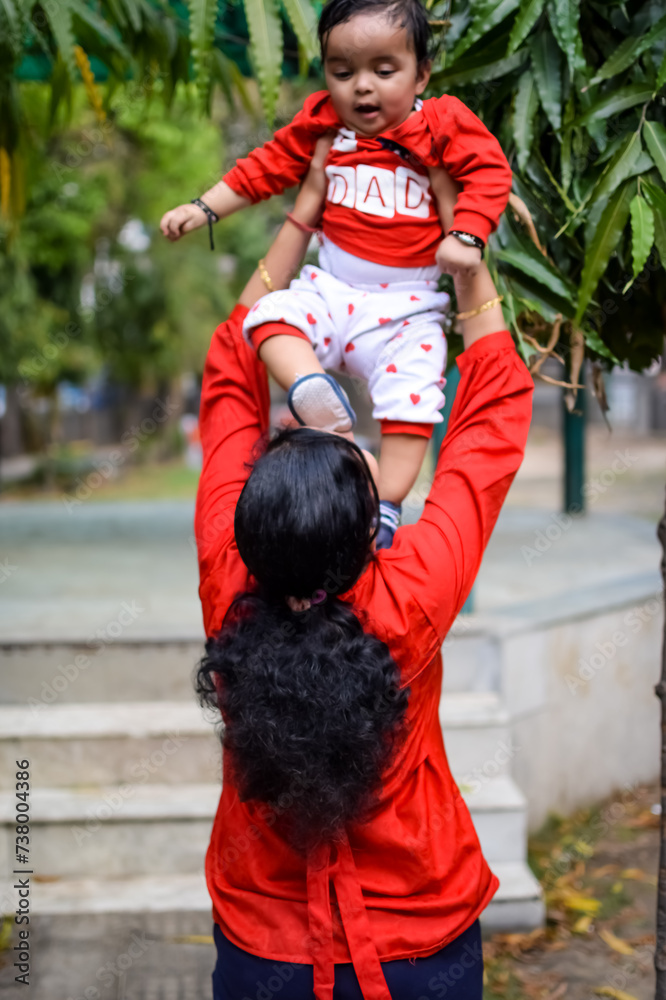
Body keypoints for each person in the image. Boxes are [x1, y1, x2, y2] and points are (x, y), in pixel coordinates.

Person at [192, 138, 534, 999]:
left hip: (263, 945)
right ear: (372, 528)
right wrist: (467, 257)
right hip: (423, 936)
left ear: (252, 518)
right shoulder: (412, 586)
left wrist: (305, 215)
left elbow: (234, 370)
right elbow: (488, 431)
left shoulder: (229, 574)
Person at [161, 0, 513, 548]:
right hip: (332, 290)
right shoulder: (325, 121)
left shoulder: (441, 123)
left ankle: (388, 503)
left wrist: (467, 234)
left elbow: (489, 169)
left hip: (406, 310)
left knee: (413, 397)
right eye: (343, 72)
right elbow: (266, 165)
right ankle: (312, 391)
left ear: (422, 73)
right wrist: (204, 208)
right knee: (269, 319)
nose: (362, 88)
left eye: (384, 70)